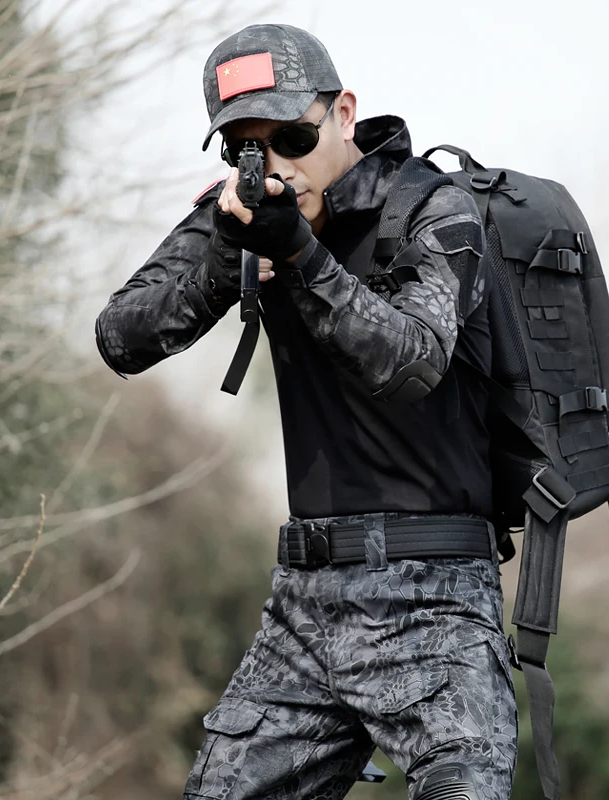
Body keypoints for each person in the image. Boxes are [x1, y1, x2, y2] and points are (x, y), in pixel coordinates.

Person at [95, 23, 517, 800]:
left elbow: (412, 358)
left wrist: (302, 256)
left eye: (292, 136)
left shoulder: (434, 208)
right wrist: (230, 252)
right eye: (246, 150)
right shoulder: (247, 216)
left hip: (436, 597)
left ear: (344, 112)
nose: (276, 165)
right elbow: (121, 337)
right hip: (304, 600)